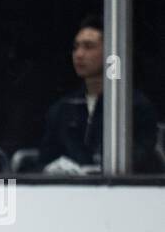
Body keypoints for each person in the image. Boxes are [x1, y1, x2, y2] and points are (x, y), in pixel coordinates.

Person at [37, 15, 161, 174]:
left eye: (88, 47)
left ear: (111, 53)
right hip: (69, 188)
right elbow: (43, 161)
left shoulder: (134, 107)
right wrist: (51, 169)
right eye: (76, 47)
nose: (79, 54)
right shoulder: (63, 108)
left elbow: (140, 162)